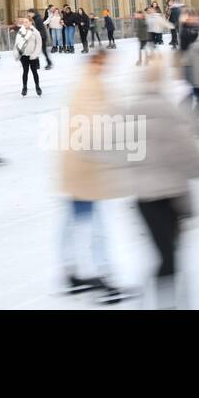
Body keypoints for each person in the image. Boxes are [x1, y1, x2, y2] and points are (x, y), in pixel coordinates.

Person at [125, 57, 199, 309]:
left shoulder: (130, 111)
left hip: (143, 199)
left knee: (166, 257)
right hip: (170, 198)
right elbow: (193, 156)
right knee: (170, 258)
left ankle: (156, 302)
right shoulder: (170, 112)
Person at [59, 50, 128, 303]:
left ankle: (71, 271)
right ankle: (103, 274)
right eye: (102, 62)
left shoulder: (93, 83)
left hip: (81, 167)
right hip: (84, 166)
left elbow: (115, 110)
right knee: (95, 223)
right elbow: (93, 124)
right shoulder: (88, 86)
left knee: (75, 218)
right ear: (94, 63)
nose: (105, 67)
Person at [15, 17, 43, 96]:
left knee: (34, 71)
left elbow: (39, 44)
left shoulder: (35, 32)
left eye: (26, 22)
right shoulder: (21, 31)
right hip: (24, 56)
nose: (25, 23)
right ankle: (24, 88)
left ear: (30, 22)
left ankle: (37, 87)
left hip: (32, 55)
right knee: (25, 71)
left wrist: (35, 55)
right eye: (24, 22)